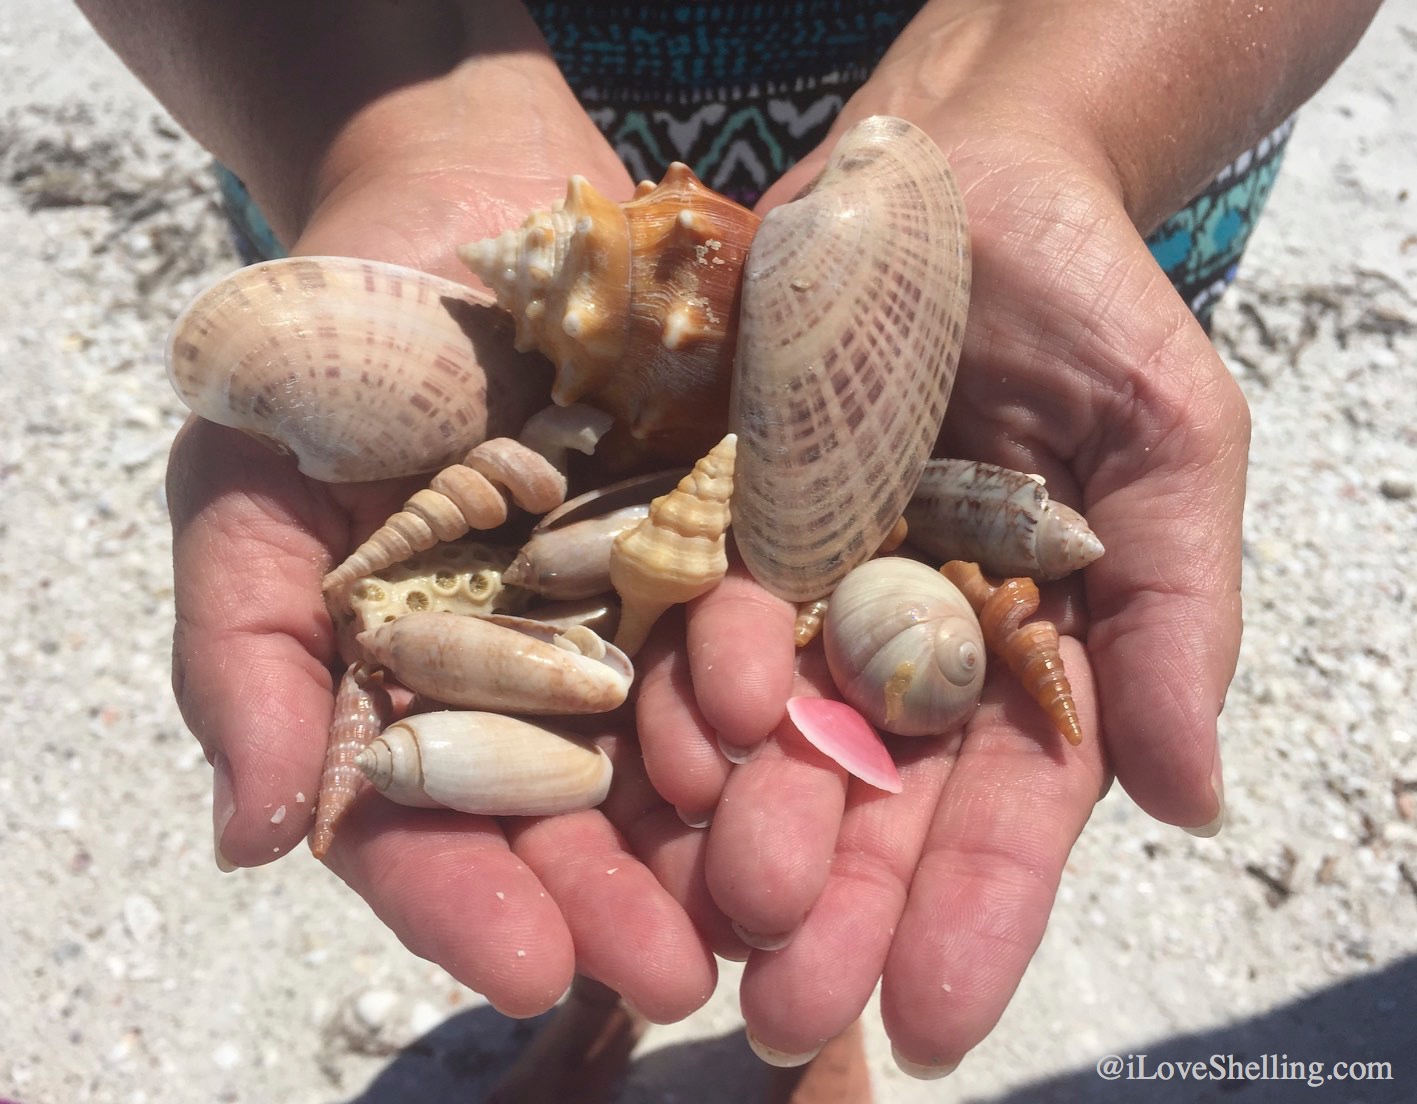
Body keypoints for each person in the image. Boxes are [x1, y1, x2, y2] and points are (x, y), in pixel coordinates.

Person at [76, 1, 1385, 1100]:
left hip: (1090, 81)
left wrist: (1050, 114)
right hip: (402, 113)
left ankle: (807, 1020)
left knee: (778, 805)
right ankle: (604, 1004)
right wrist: (378, 131)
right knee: (608, 797)